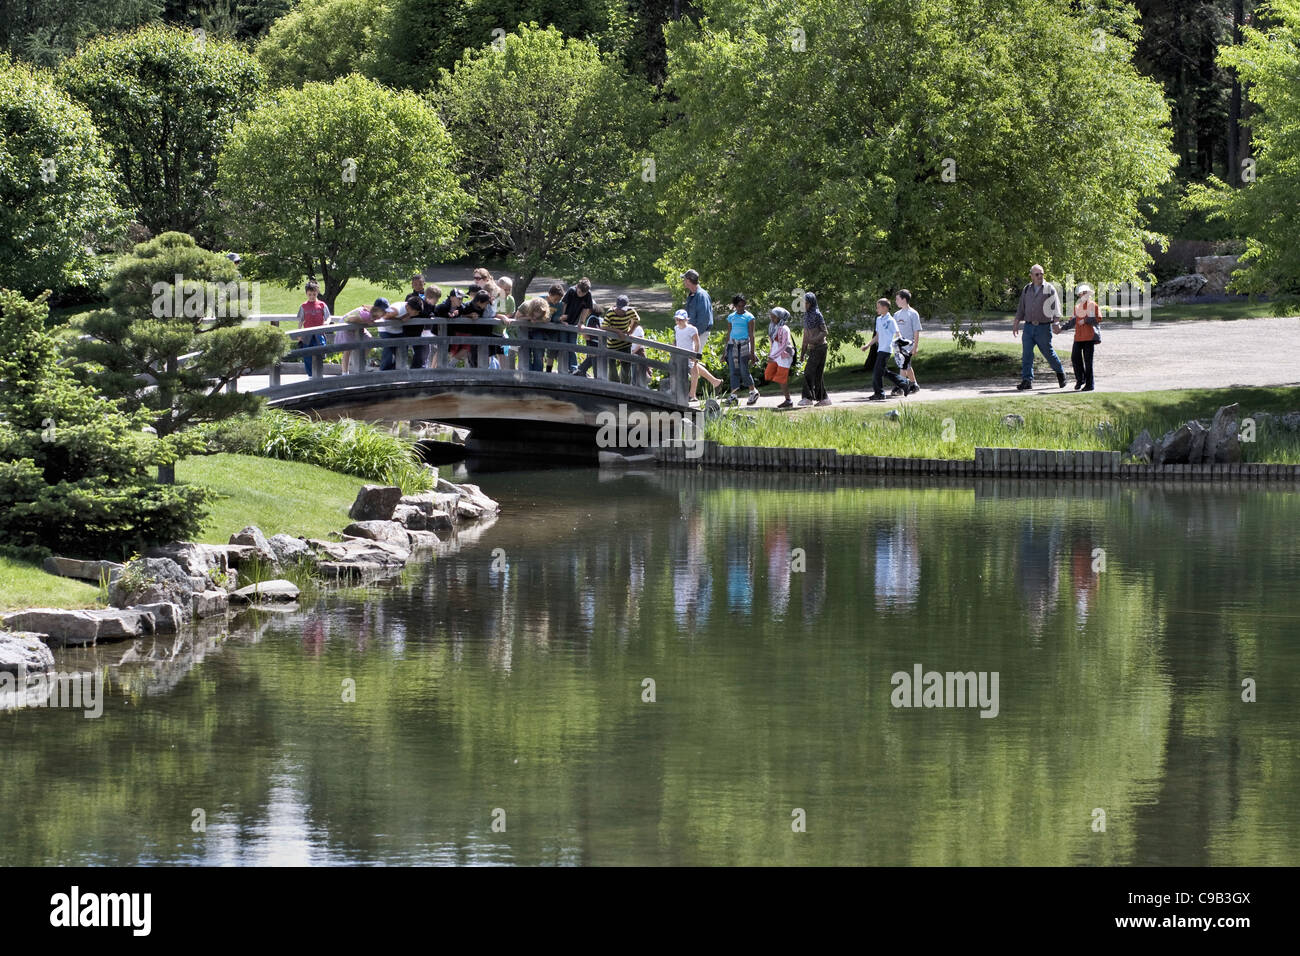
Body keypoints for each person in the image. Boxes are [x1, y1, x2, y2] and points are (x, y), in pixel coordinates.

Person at [1013, 264, 1067, 390]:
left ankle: (1060, 373)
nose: (1040, 276)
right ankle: (1027, 381)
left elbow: (1056, 309)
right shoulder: (1027, 289)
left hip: (1043, 327)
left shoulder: (1049, 289)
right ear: (1031, 276)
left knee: (1048, 353)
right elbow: (1021, 308)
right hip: (1028, 327)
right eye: (1037, 274)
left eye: (1041, 273)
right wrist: (1016, 323)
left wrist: (1056, 323)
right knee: (1027, 354)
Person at [861, 298, 917, 401]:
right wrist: (867, 345)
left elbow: (898, 334)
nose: (876, 309)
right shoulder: (878, 319)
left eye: (878, 307)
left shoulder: (891, 320)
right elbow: (877, 336)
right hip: (880, 349)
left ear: (885, 308)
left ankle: (879, 393)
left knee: (877, 372)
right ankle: (905, 384)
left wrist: (901, 346)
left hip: (886, 349)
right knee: (883, 371)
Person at [1061, 282, 1101, 391]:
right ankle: (1080, 379)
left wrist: (1086, 320)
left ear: (1088, 294)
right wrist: (1061, 328)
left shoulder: (1093, 305)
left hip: (1089, 337)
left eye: (1085, 293)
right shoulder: (1077, 307)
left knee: (1088, 362)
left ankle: (1089, 384)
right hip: (1078, 337)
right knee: (1075, 358)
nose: (1082, 295)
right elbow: (1072, 321)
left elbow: (1098, 319)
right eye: (1081, 294)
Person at [722, 293, 759, 405]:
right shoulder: (731, 317)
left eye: (743, 306)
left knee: (744, 370)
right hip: (732, 346)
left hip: (744, 345)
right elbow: (729, 334)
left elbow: (752, 336)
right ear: (735, 306)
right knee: (733, 371)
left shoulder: (749, 317)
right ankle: (733, 396)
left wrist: (752, 353)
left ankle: (753, 391)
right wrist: (725, 352)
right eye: (739, 306)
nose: (741, 308)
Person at [335, 298, 387, 374]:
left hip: (358, 328)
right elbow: (350, 319)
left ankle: (360, 363)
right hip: (347, 326)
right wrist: (365, 321)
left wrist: (368, 322)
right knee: (347, 350)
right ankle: (345, 372)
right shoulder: (367, 314)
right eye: (383, 311)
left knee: (370, 341)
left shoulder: (373, 314)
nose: (385, 314)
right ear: (377, 310)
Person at [595, 294, 639, 381]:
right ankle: (614, 386)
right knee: (612, 368)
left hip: (625, 343)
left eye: (623, 309)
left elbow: (637, 320)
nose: (620, 311)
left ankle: (625, 387)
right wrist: (618, 331)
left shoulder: (630, 311)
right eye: (619, 309)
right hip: (612, 345)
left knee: (626, 368)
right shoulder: (610, 313)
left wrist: (630, 331)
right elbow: (603, 326)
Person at [555, 277, 595, 374]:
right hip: (564, 321)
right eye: (580, 292)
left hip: (574, 323)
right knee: (564, 344)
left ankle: (573, 368)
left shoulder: (588, 295)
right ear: (577, 287)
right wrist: (562, 319)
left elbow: (586, 309)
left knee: (572, 345)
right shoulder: (571, 291)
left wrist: (581, 322)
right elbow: (563, 304)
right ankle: (563, 368)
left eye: (583, 294)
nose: (581, 295)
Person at [798, 292, 830, 406]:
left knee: (808, 372)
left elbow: (825, 331)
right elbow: (806, 336)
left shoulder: (817, 314)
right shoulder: (806, 316)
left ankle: (807, 398)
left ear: (811, 303)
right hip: (813, 348)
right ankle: (824, 399)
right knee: (817, 374)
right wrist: (802, 353)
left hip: (820, 347)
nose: (804, 305)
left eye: (805, 303)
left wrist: (814, 340)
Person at [295, 280, 331, 376]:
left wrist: (326, 322)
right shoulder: (303, 306)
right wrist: (299, 333)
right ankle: (310, 375)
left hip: (319, 334)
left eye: (314, 294)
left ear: (317, 293)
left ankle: (319, 373)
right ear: (306, 293)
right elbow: (301, 321)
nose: (312, 296)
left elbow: (328, 317)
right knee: (307, 355)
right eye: (310, 294)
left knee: (319, 352)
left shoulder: (322, 305)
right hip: (307, 335)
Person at [763, 307, 796, 408]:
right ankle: (785, 386)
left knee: (781, 378)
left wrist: (773, 355)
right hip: (775, 355)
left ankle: (788, 400)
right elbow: (773, 344)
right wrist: (770, 354)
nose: (772, 318)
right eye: (772, 315)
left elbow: (784, 346)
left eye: (774, 316)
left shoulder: (785, 329)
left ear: (780, 317)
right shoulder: (773, 327)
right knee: (768, 374)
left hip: (784, 355)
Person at [892, 289, 922, 393]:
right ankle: (914, 385)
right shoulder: (896, 314)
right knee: (907, 366)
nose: (896, 301)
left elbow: (916, 331)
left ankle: (900, 387)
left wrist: (915, 346)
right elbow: (896, 331)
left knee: (903, 366)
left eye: (897, 299)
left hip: (909, 345)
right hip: (899, 346)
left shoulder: (913, 314)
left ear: (904, 299)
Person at [494, 276, 519, 368]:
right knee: (490, 354)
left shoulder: (510, 299)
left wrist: (505, 317)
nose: (507, 292)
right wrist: (502, 317)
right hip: (491, 330)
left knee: (503, 353)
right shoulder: (494, 298)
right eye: (505, 290)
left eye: (509, 290)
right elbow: (492, 313)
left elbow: (511, 313)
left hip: (502, 331)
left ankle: (503, 374)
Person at [682, 269, 713, 341]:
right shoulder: (692, 294)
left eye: (684, 279)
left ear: (688, 281)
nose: (683, 281)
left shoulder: (701, 295)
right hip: (692, 332)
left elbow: (704, 319)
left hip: (699, 333)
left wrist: (695, 334)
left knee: (695, 352)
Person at [542, 282, 567, 372]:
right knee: (540, 349)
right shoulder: (541, 300)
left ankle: (548, 370)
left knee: (552, 351)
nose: (557, 301)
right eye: (555, 299)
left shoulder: (559, 305)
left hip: (553, 331)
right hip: (540, 329)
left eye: (559, 300)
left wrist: (559, 319)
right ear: (550, 295)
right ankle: (539, 369)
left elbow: (556, 316)